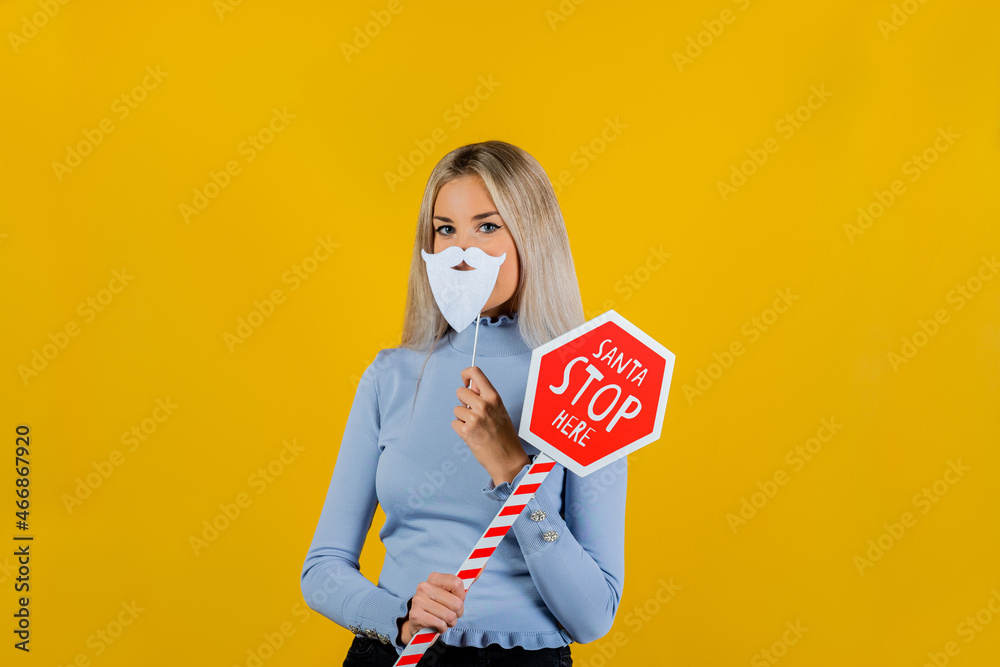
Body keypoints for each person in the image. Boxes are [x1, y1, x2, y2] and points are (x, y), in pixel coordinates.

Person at [300, 140, 627, 667]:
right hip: (395, 655)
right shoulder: (392, 374)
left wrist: (510, 468)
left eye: (488, 226)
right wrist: (398, 617)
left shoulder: (588, 380)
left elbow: (593, 616)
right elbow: (322, 568)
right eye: (445, 230)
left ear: (532, 236)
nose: (462, 251)